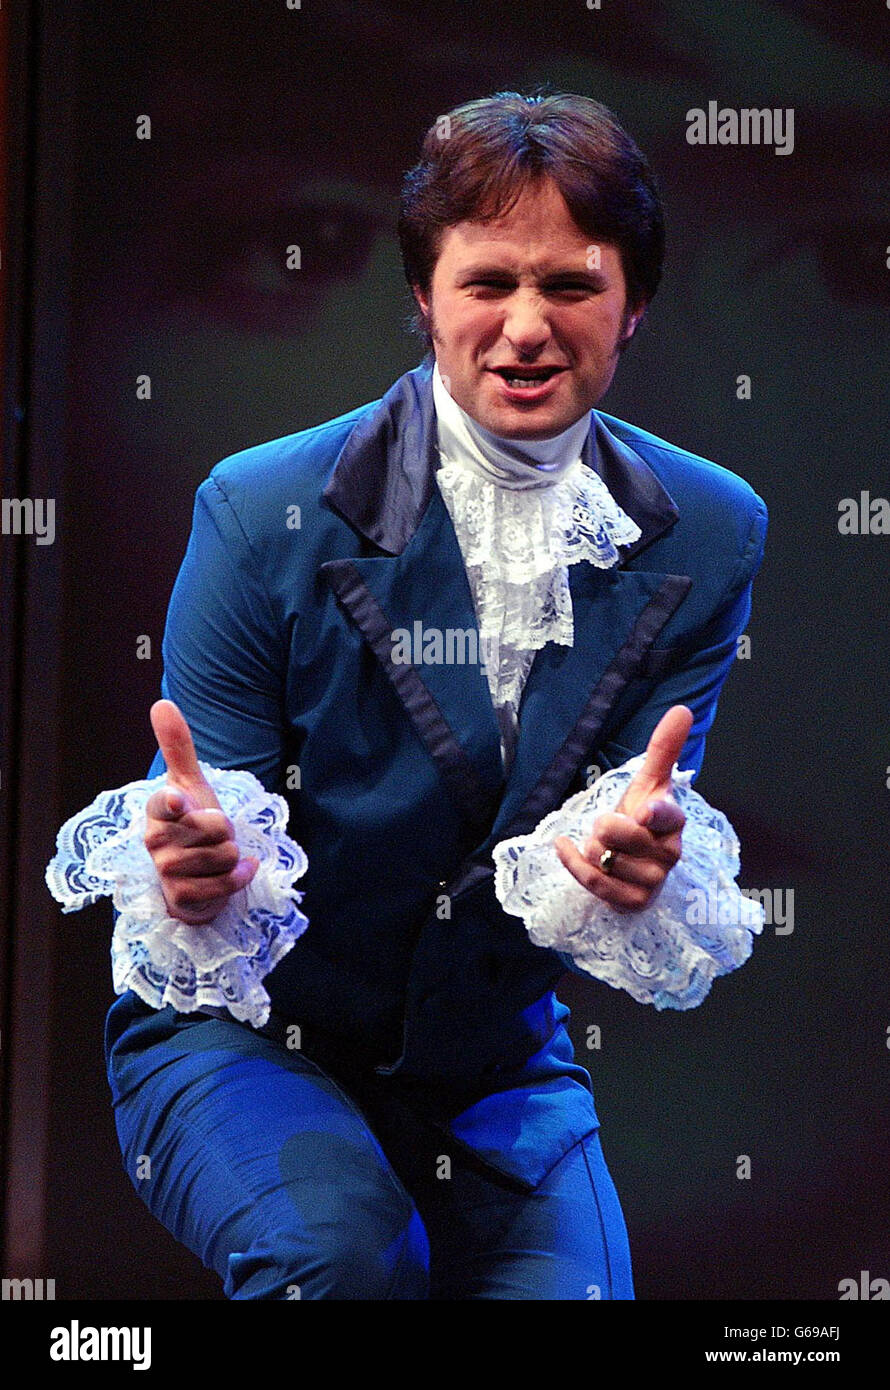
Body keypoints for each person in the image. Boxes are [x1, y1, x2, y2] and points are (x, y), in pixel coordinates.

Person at [48, 91, 767, 1299]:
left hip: (491, 1071)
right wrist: (198, 867)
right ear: (423, 301)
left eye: (571, 285)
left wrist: (630, 863)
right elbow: (206, 814)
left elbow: (639, 800)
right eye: (486, 283)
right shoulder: (261, 505)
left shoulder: (710, 526)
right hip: (248, 1033)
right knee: (343, 1259)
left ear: (632, 306)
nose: (526, 328)